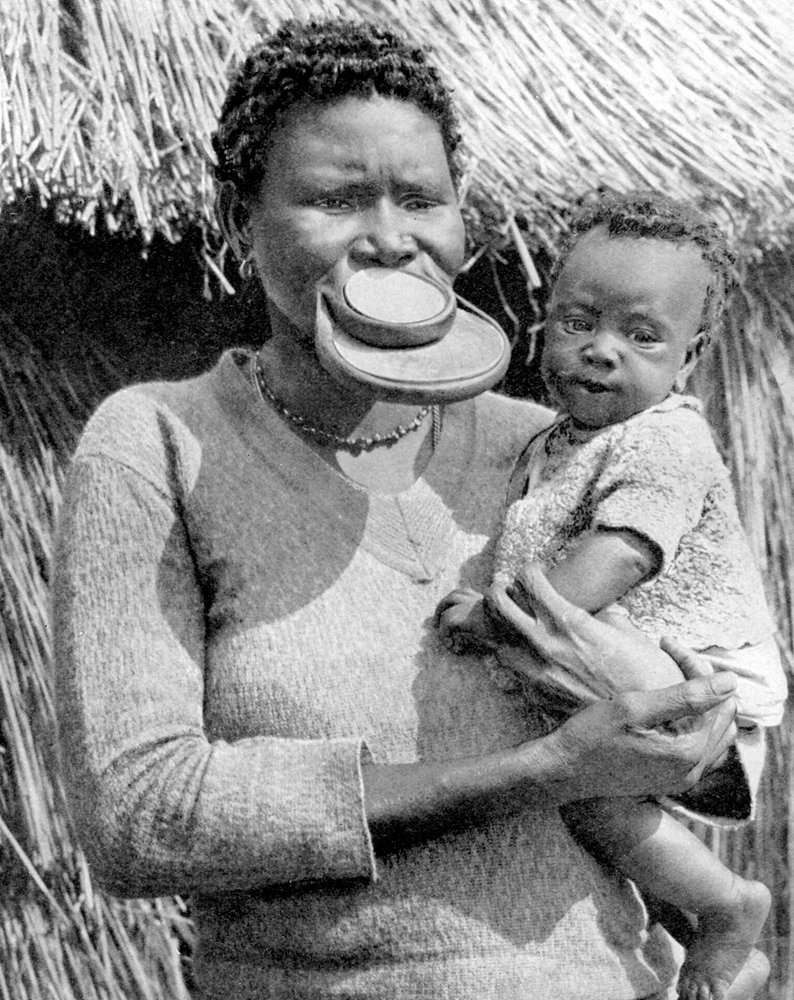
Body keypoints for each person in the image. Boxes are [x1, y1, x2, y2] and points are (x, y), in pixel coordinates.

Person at [52, 19, 764, 1000]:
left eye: (420, 199)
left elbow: (713, 740)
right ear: (236, 219)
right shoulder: (161, 446)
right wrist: (540, 768)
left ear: (460, 219)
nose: (390, 236)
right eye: (338, 199)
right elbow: (142, 815)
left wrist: (696, 738)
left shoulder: (555, 447)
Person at [437, 192, 787, 1000]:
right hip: (625, 673)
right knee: (589, 814)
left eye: (640, 335)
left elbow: (625, 552)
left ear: (689, 357)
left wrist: (499, 619)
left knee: (589, 800)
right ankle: (705, 949)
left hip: (697, 680)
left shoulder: (669, 438)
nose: (600, 351)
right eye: (577, 323)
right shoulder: (556, 441)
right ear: (542, 321)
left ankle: (730, 906)